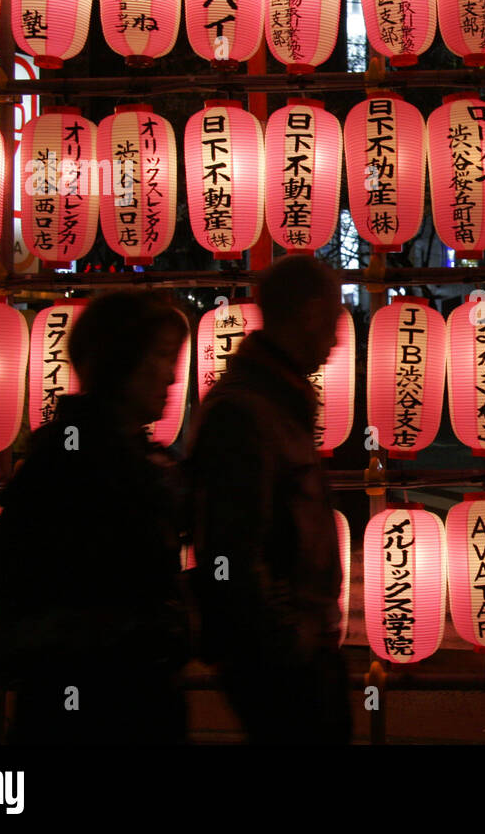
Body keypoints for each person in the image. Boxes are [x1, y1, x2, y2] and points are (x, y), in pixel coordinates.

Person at [0, 291, 191, 745]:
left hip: (122, 695)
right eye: (160, 356)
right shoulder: (75, 460)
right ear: (120, 361)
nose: (173, 377)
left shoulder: (132, 455)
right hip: (95, 705)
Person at [188, 256, 351, 744]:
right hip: (279, 662)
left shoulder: (278, 401)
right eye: (334, 317)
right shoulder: (246, 411)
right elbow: (227, 550)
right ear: (310, 312)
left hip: (297, 648)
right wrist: (288, 638)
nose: (338, 339)